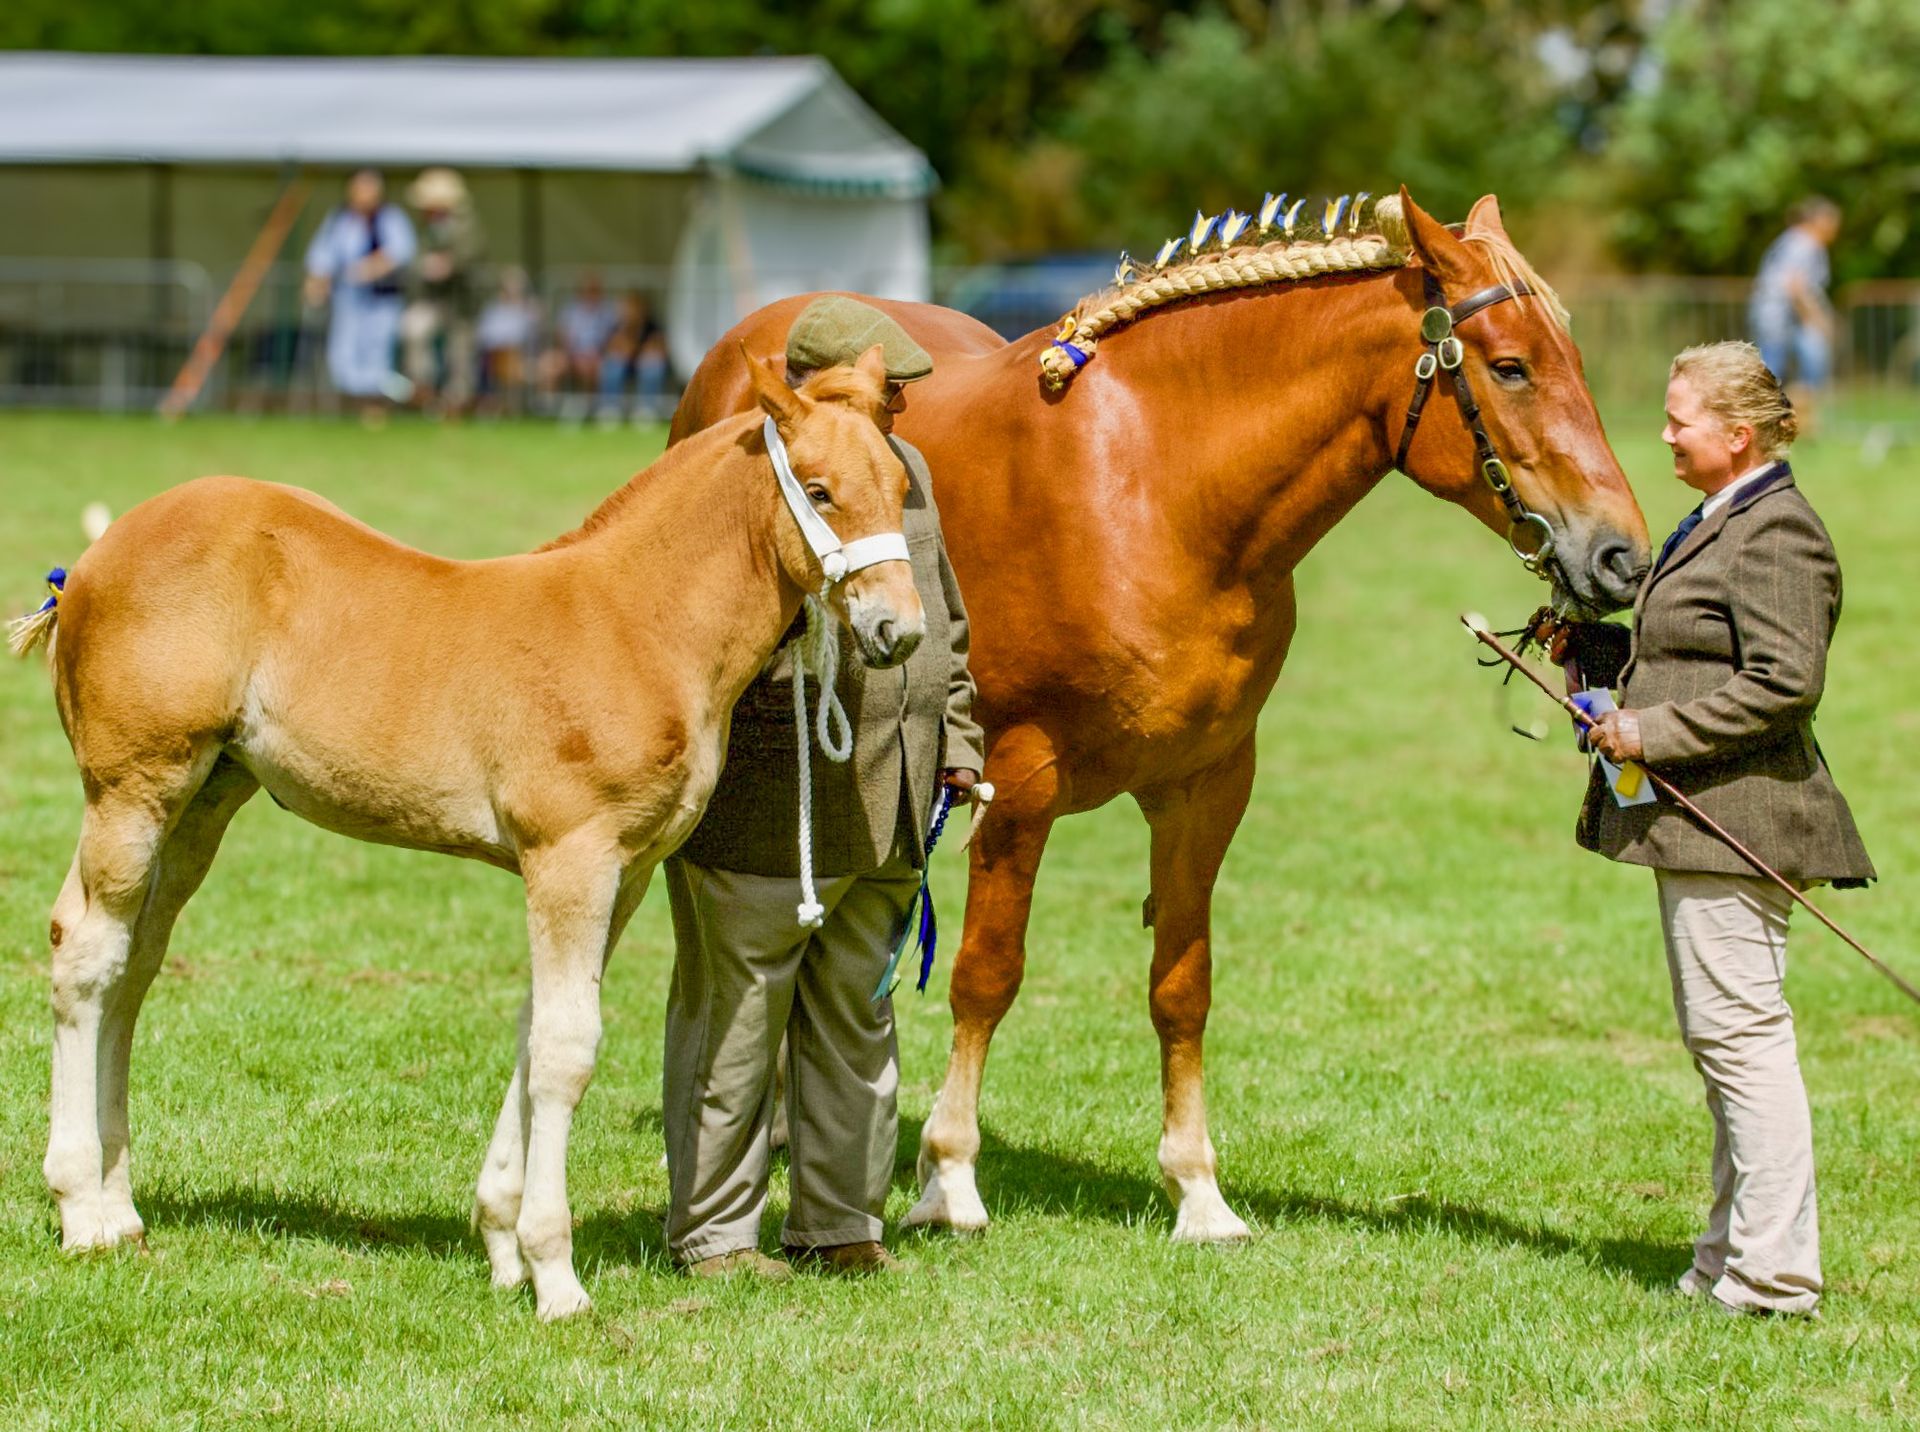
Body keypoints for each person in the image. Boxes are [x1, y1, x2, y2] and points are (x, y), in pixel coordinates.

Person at [662, 297, 984, 1280]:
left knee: (859, 1018)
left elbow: (947, 620)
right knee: (737, 1019)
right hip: (771, 801)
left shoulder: (902, 469)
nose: (907, 407)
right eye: (895, 388)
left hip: (889, 801)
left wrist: (959, 738)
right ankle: (718, 1235)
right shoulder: (739, 469)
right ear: (829, 384)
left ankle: (841, 1225)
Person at [1570, 340, 1874, 1319]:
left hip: (1742, 821)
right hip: (1702, 823)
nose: (1662, 434)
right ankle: (1727, 1258)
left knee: (1742, 1043)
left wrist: (1647, 730)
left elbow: (1785, 681)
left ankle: (1776, 1276)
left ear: (1737, 436)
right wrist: (1592, 648)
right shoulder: (1720, 515)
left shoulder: (1777, 528)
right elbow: (1691, 647)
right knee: (1725, 1043)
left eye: (1679, 419)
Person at [303, 170, 417, 424]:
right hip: (348, 298)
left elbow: (401, 251)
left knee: (376, 351)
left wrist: (370, 268)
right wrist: (316, 283)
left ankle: (378, 404)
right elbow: (322, 256)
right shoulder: (339, 220)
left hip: (382, 298)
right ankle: (364, 400)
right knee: (344, 354)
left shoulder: (390, 218)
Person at [1750, 197, 1841, 433]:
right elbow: (1796, 286)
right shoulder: (1805, 243)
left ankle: (1782, 421)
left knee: (1776, 371)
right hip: (1782, 317)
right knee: (1786, 370)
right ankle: (1779, 423)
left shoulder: (1789, 239)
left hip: (1774, 315)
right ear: (1820, 220)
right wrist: (1818, 319)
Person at [400, 167, 485, 417]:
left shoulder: (468, 226)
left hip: (463, 302)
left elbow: (470, 255)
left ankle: (456, 402)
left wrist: (447, 264)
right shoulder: (427, 228)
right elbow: (417, 260)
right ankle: (422, 385)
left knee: (459, 354)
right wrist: (425, 266)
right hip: (434, 299)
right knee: (413, 327)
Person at [538, 272, 619, 421]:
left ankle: (588, 408)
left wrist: (597, 352)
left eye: (594, 290)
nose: (590, 294)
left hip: (598, 355)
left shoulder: (608, 312)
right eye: (587, 290)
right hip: (572, 353)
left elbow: (613, 338)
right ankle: (548, 409)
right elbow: (561, 336)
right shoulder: (570, 311)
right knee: (548, 363)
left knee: (593, 366)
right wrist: (571, 352)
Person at [474, 266, 542, 416]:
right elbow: (484, 334)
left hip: (520, 357)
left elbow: (527, 336)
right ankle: (488, 401)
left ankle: (496, 404)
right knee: (488, 358)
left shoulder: (527, 311)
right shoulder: (492, 309)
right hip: (494, 356)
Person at [596, 290, 671, 424]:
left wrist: (638, 351)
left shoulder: (652, 326)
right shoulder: (619, 326)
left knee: (652, 367)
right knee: (612, 366)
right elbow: (614, 349)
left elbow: (658, 349)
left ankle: (647, 410)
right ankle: (610, 409)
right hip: (625, 365)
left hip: (644, 365)